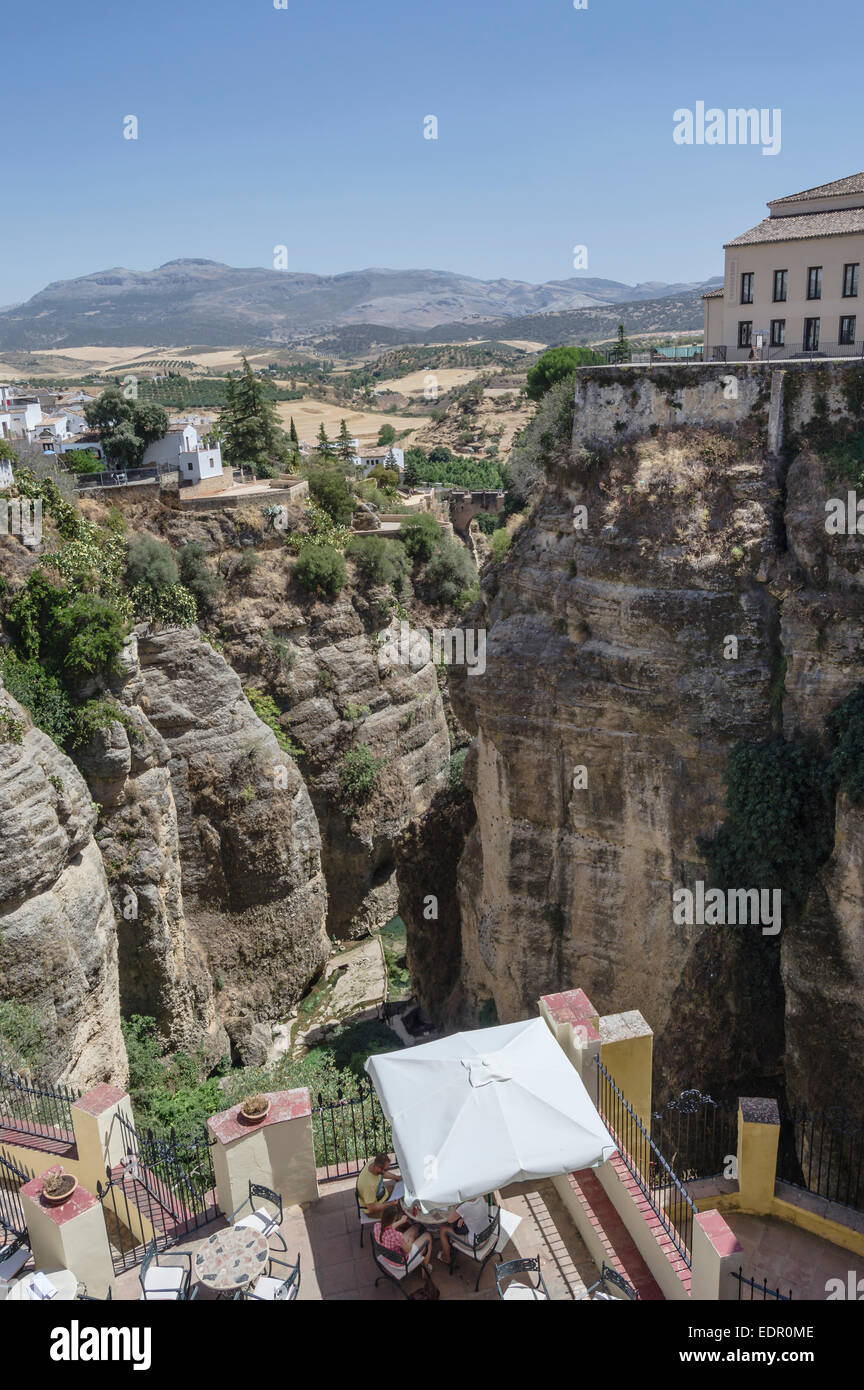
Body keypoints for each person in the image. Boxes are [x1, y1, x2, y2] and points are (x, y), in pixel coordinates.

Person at [373, 1204, 432, 1272]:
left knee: (415, 1227)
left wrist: (401, 1221)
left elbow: (387, 1229)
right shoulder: (397, 1236)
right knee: (428, 1236)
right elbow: (408, 1250)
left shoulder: (376, 1226)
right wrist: (410, 1241)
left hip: (387, 1258)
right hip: (401, 1263)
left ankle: (419, 1250)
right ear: (394, 1219)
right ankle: (425, 1270)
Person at [438, 1194, 493, 1266]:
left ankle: (447, 1258)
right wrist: (462, 1217)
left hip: (476, 1244)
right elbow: (473, 1212)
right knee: (456, 1223)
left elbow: (449, 1220)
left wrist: (458, 1205)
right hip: (487, 1235)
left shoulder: (464, 1206)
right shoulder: (480, 1197)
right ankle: (450, 1244)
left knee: (443, 1229)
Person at [356, 1152, 401, 1218]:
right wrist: (390, 1204)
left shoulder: (374, 1163)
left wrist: (397, 1177)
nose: (386, 1171)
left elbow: (383, 1173)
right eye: (386, 1169)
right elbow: (372, 1208)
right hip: (373, 1209)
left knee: (399, 1195)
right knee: (397, 1216)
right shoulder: (369, 1185)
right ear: (378, 1168)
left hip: (382, 1195)